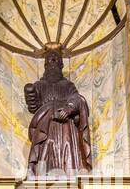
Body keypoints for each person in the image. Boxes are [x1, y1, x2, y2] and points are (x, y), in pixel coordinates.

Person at [23, 44, 91, 178]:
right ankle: (41, 174)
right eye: (50, 58)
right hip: (45, 126)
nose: (53, 58)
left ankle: (70, 173)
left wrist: (69, 108)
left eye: (56, 58)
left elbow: (79, 100)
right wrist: (30, 94)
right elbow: (34, 107)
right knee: (45, 149)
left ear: (61, 64)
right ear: (45, 64)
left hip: (66, 127)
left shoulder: (68, 85)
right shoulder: (39, 85)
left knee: (67, 149)